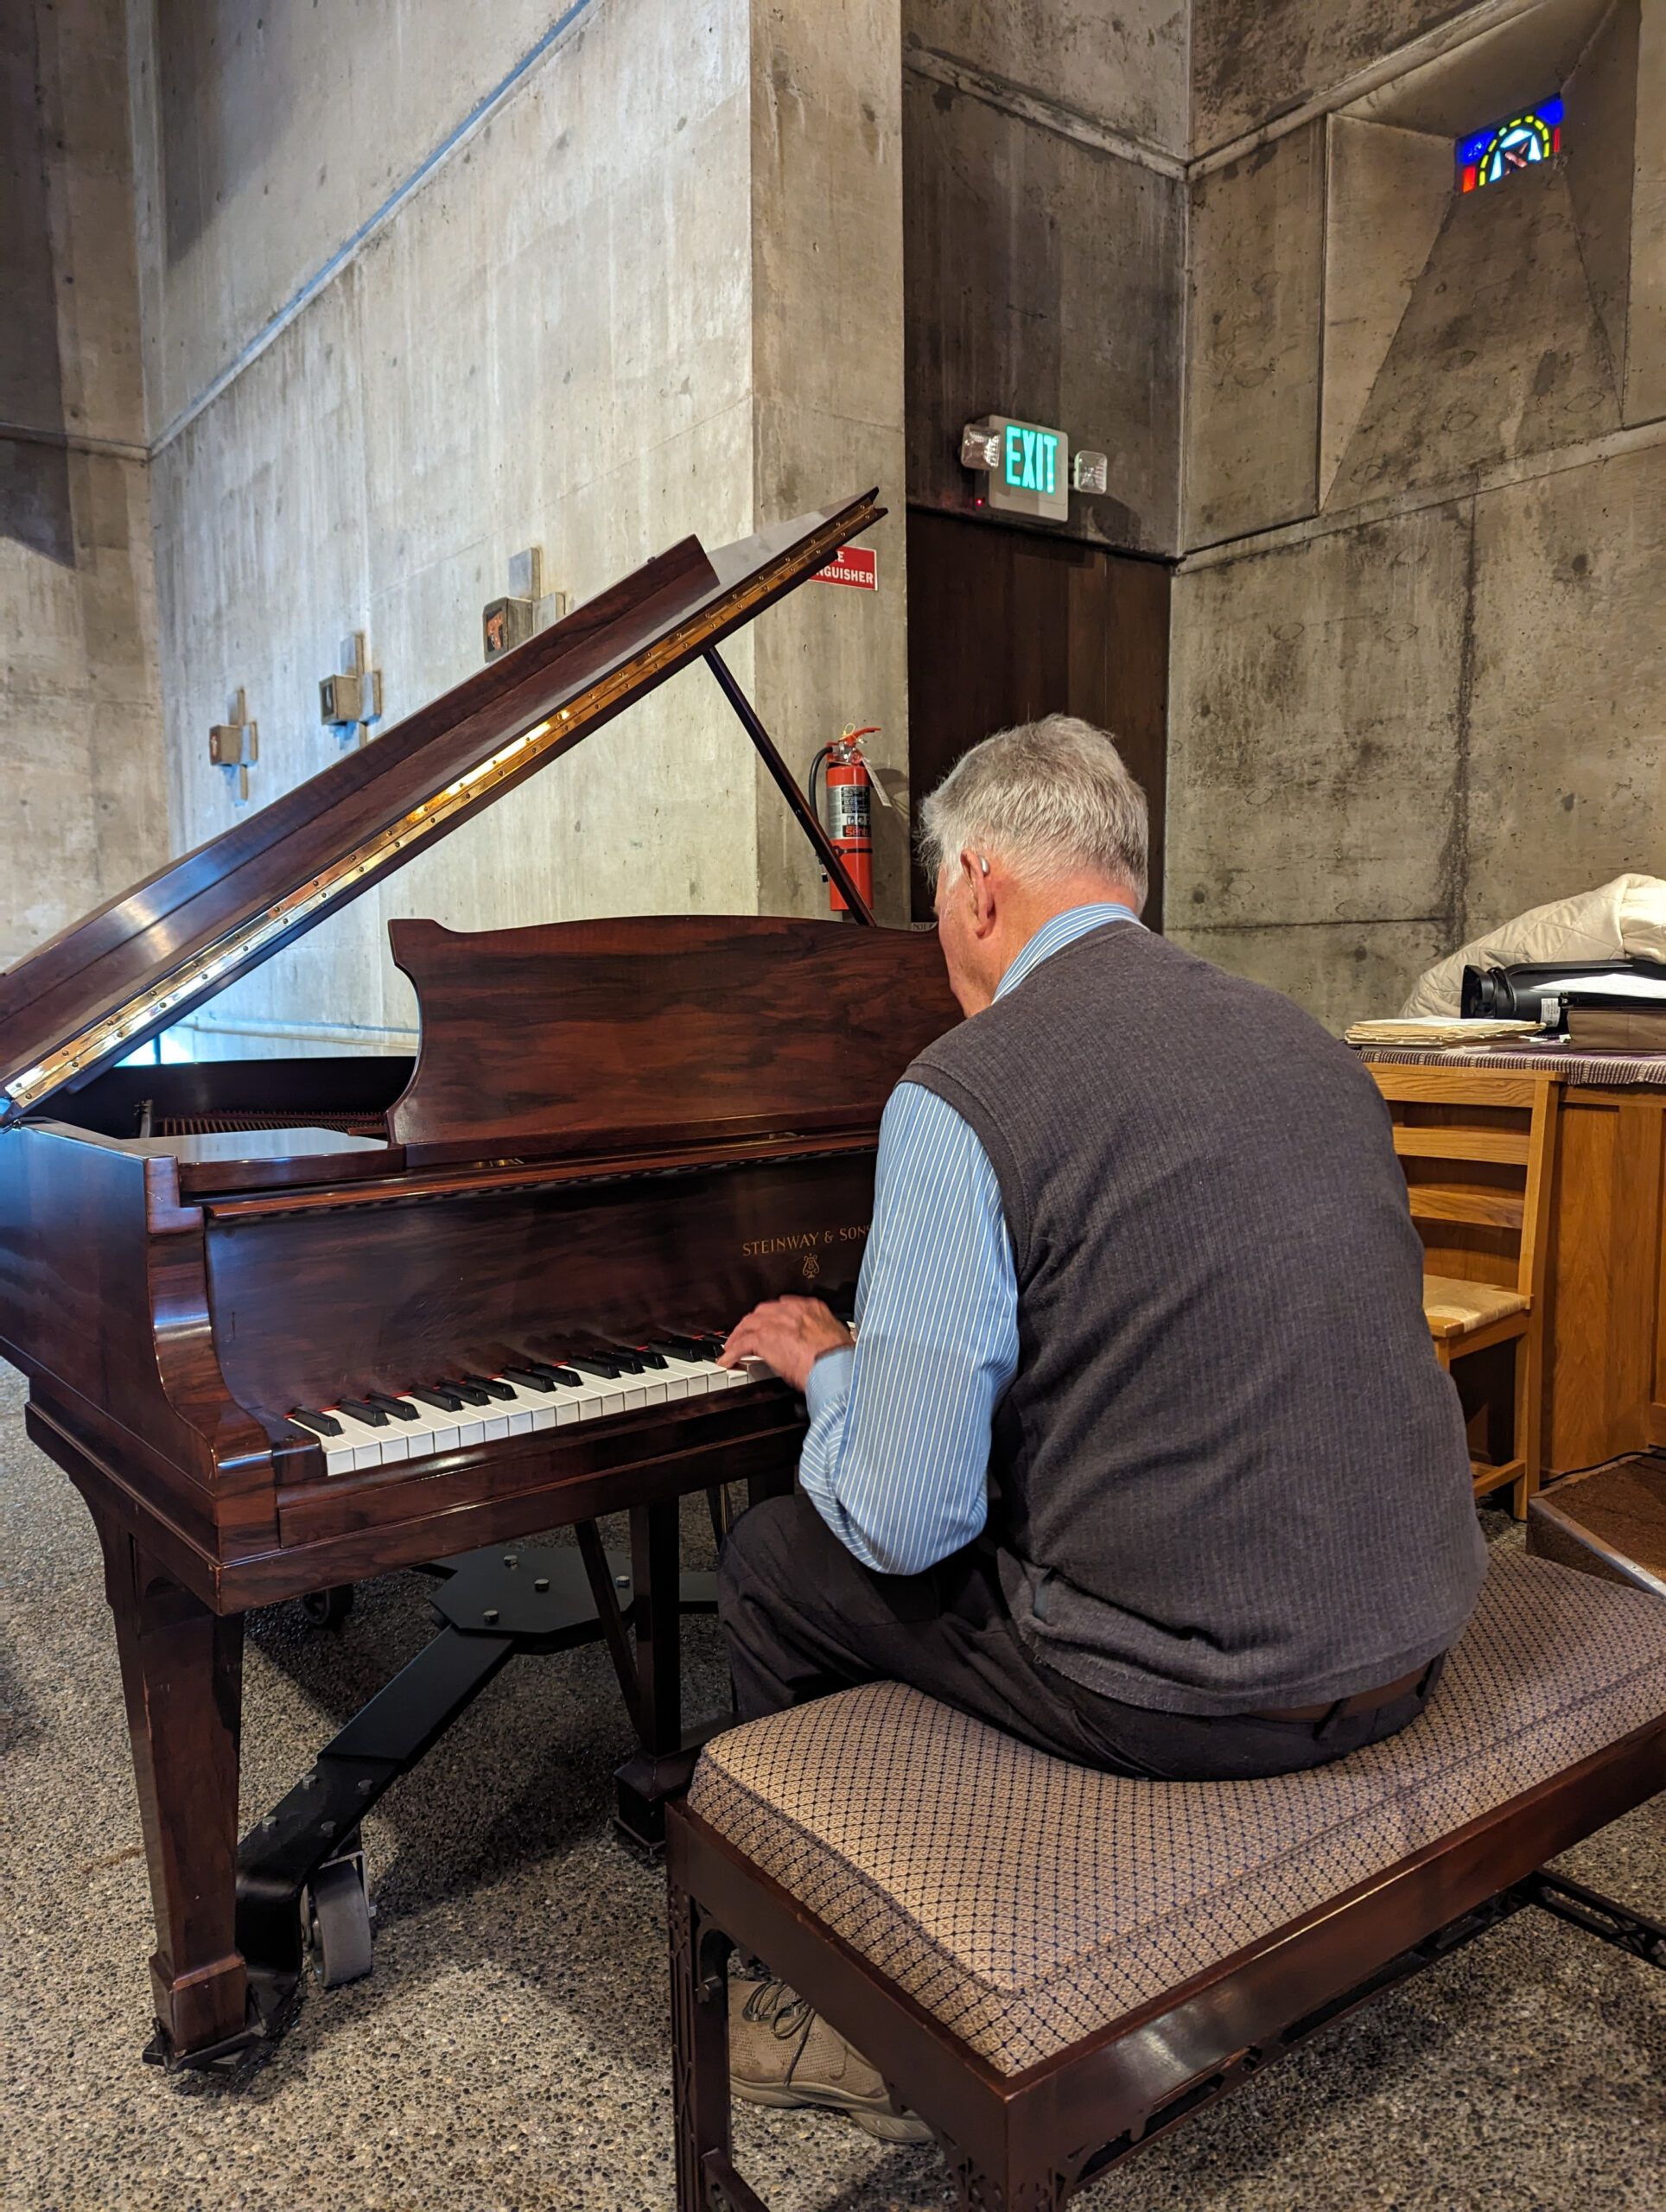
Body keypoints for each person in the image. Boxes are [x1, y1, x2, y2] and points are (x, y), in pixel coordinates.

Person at [715, 714, 1485, 2140]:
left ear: (977, 884)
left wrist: (833, 1373)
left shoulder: (963, 1091)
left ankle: (856, 2012)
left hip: (1196, 1699)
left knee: (773, 1558)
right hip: (1411, 1637)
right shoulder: (1309, 1042)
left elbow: (907, 1517)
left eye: (935, 899)